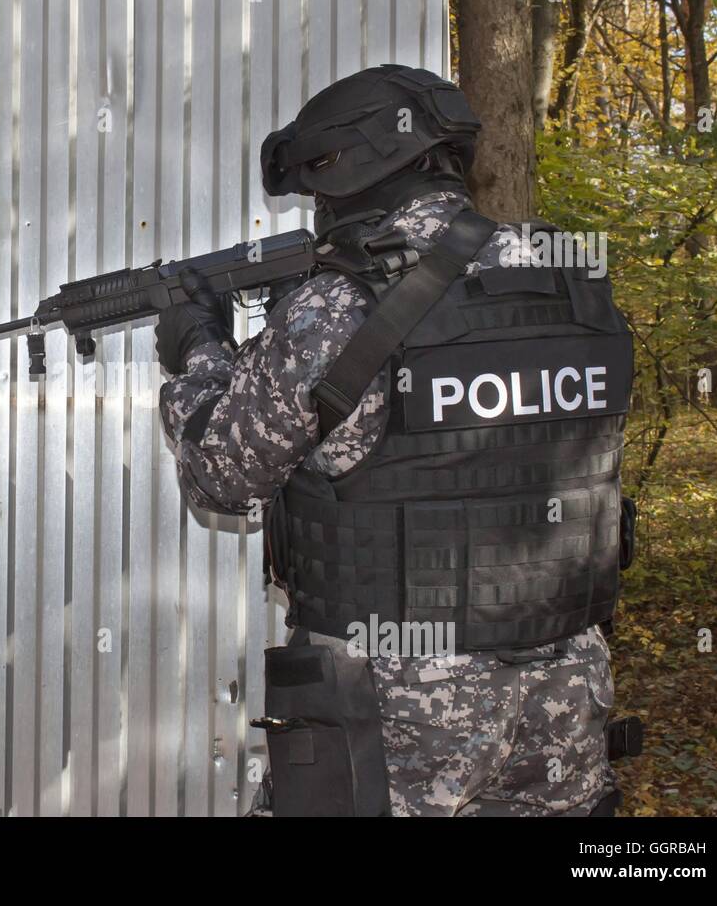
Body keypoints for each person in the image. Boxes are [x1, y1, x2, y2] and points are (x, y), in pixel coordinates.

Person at [155, 64, 633, 817]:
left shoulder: (338, 304)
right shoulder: (574, 285)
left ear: (345, 171)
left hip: (400, 715)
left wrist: (199, 350)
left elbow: (223, 477)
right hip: (567, 690)